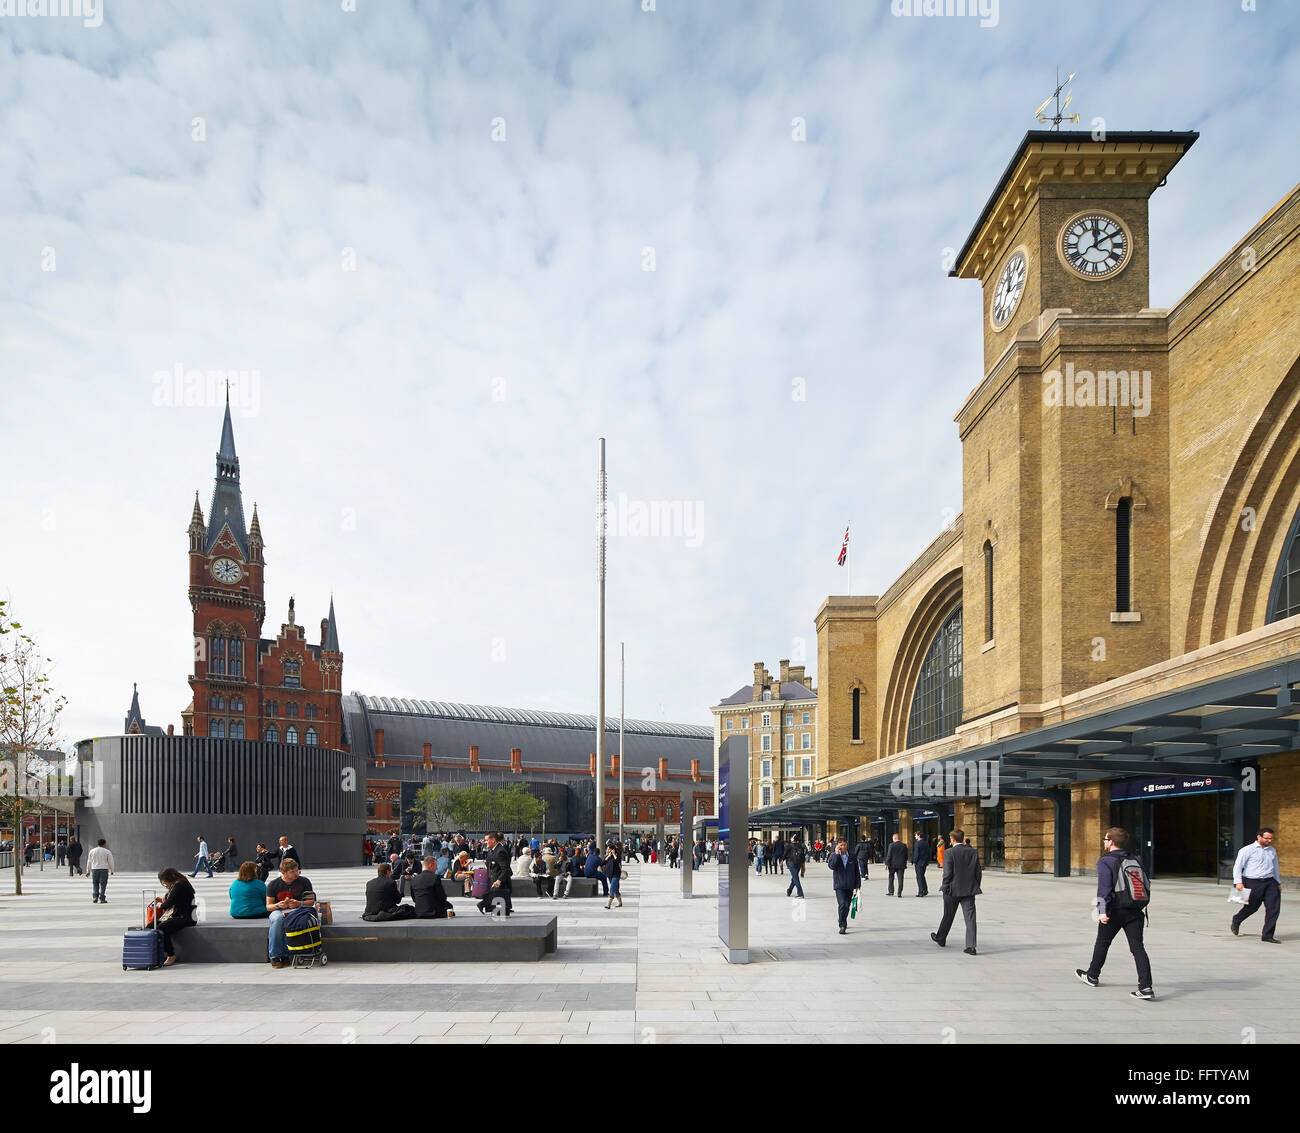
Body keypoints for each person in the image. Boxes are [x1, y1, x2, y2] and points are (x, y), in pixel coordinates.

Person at [1075, 827, 1154, 1000]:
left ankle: (1092, 975)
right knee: (1138, 948)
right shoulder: (1136, 859)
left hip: (1115, 911)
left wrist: (1102, 911)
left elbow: (1104, 888)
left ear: (1111, 841)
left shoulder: (1106, 861)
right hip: (1136, 910)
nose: (1104, 842)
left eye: (1105, 839)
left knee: (1102, 942)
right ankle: (1146, 987)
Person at [930, 829, 981, 955]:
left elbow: (947, 873)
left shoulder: (949, 852)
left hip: (952, 889)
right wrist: (975, 885)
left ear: (952, 839)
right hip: (969, 890)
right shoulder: (973, 852)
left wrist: (944, 886)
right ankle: (971, 946)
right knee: (970, 918)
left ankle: (941, 938)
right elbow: (978, 872)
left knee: (948, 915)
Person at [1230, 827, 1282, 943]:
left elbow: (1275, 868)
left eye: (1271, 839)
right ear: (1259, 837)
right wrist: (1238, 882)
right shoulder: (1246, 850)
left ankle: (1267, 935)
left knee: (1273, 909)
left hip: (1270, 882)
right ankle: (1237, 919)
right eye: (1267, 838)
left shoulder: (1272, 851)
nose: (1269, 841)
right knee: (1252, 907)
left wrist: (1278, 882)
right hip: (1253, 882)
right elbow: (1238, 867)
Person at [265, 859, 315, 969]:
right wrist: (278, 905)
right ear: (284, 872)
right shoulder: (273, 884)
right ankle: (275, 956)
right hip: (278, 910)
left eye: (297, 870)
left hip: (298, 910)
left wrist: (299, 903)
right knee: (278, 919)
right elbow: (269, 906)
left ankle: (285, 954)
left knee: (291, 919)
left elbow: (311, 902)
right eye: (292, 871)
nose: (296, 873)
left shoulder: (304, 881)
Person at [152, 868, 198, 966]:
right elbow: (172, 899)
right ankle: (156, 952)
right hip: (178, 914)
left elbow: (168, 903)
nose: (165, 885)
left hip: (186, 917)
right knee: (151, 925)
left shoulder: (180, 885)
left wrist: (159, 905)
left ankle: (171, 954)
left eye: (164, 882)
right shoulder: (179, 883)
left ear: (168, 879)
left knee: (161, 928)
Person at [828, 839, 861, 935]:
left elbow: (856, 871)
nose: (843, 847)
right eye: (841, 845)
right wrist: (836, 854)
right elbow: (832, 866)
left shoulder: (852, 856)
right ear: (837, 846)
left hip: (850, 885)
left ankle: (841, 918)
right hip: (839, 885)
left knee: (847, 906)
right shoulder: (834, 855)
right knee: (842, 904)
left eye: (844, 845)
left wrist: (858, 885)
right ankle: (843, 925)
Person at [477, 832, 513, 917]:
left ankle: (482, 904)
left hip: (501, 882)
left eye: (486, 840)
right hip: (494, 880)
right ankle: (483, 904)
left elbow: (505, 869)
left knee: (501, 911)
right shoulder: (491, 851)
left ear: (493, 840)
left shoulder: (500, 851)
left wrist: (499, 880)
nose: (485, 842)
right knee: (499, 910)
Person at [87, 838, 114, 903]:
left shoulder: (92, 851)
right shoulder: (107, 851)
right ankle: (102, 898)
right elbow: (111, 861)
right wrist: (112, 870)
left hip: (94, 869)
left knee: (95, 883)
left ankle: (95, 897)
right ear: (104, 844)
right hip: (104, 869)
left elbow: (89, 861)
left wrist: (88, 871)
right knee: (103, 884)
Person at [885, 833, 908, 897]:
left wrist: (886, 864)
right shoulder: (904, 845)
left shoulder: (891, 845)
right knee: (900, 879)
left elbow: (889, 855)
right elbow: (906, 856)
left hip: (892, 865)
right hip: (901, 865)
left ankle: (891, 891)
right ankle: (899, 893)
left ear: (894, 838)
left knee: (891, 878)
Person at [603, 845, 624, 909]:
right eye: (607, 849)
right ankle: (620, 903)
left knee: (612, 888)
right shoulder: (608, 856)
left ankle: (608, 904)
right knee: (615, 890)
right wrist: (608, 856)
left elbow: (618, 861)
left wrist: (614, 854)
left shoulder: (617, 855)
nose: (608, 850)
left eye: (609, 849)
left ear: (613, 849)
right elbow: (603, 862)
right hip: (609, 874)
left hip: (616, 874)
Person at [912, 832, 931, 896]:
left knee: (919, 877)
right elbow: (928, 853)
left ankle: (921, 891)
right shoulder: (926, 843)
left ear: (919, 836)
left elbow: (916, 853)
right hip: (924, 862)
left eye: (915, 835)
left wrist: (914, 861)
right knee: (922, 876)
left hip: (919, 863)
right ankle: (925, 890)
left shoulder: (917, 844)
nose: (915, 836)